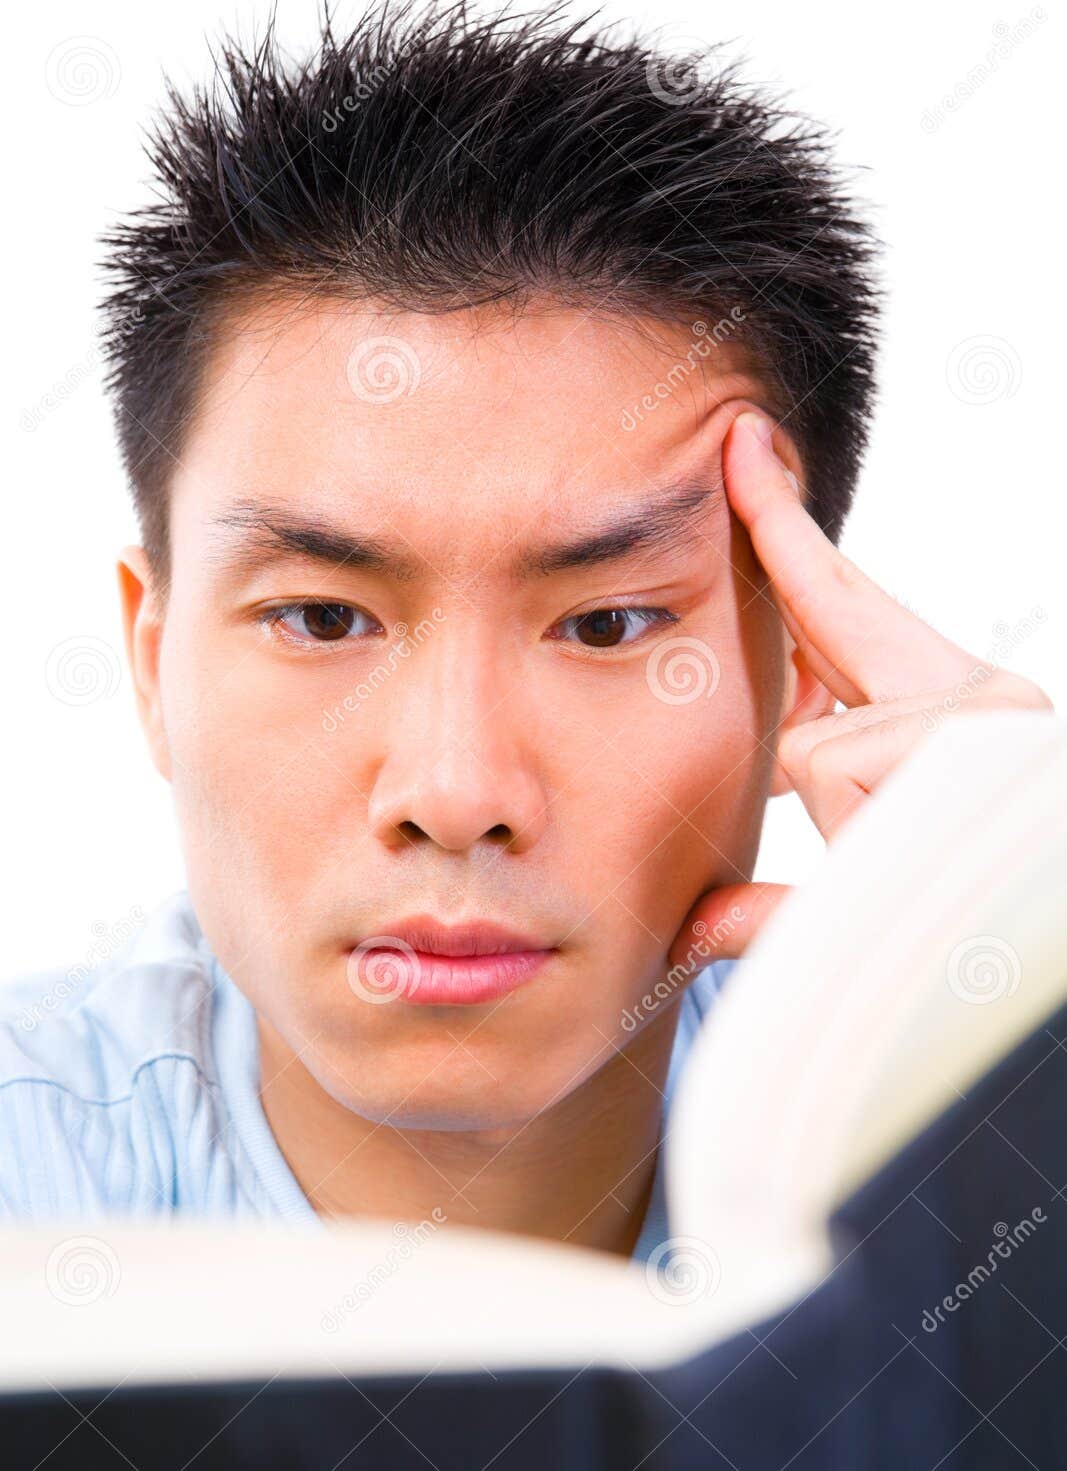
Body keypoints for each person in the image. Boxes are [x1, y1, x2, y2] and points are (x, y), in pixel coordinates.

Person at [0, 0, 1050, 1254]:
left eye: (606, 625)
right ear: (151, 661)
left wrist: (1032, 962)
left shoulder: (992, 1168)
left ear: (807, 678)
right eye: (322, 616)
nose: (454, 795)